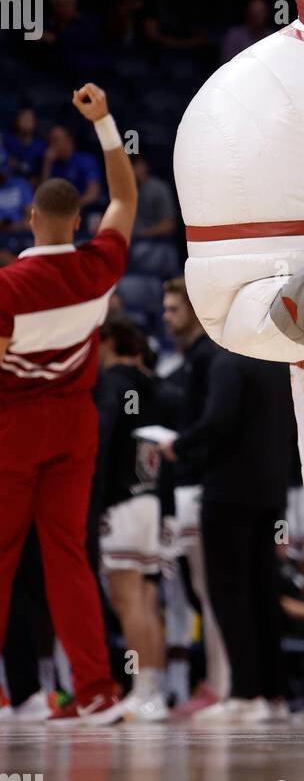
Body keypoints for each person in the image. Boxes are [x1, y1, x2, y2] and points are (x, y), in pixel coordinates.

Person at [0, 83, 137, 722]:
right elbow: (126, 196)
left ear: (31, 219)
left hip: (16, 425)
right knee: (69, 558)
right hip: (77, 424)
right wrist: (105, 123)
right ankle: (97, 691)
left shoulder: (9, 287)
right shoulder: (99, 267)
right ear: (76, 222)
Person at [160, 352, 294, 723]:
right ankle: (274, 694)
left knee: (229, 592)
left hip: (229, 490)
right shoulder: (277, 363)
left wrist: (180, 446)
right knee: (263, 591)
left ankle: (245, 693)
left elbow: (218, 421)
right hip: (271, 490)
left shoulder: (227, 362)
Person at [95, 320, 177, 722]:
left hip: (122, 502)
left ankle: (142, 690)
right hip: (152, 498)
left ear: (107, 343)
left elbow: (104, 441)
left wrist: (95, 500)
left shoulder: (112, 383)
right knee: (146, 600)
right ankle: (154, 691)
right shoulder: (157, 384)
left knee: (127, 601)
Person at [160, 278, 230, 713]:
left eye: (173, 309)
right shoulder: (189, 361)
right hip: (192, 487)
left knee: (214, 591)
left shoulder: (209, 360)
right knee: (204, 591)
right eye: (164, 310)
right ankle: (218, 681)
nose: (166, 318)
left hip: (205, 487)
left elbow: (213, 426)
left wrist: (180, 447)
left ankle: (222, 684)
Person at [42, 124, 103, 210]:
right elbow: (44, 195)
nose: (51, 145)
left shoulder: (86, 161)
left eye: (55, 140)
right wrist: (47, 164)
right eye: (50, 141)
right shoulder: (54, 165)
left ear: (68, 141)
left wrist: (69, 208)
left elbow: (93, 194)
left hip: (87, 210)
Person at [131, 156, 177, 240]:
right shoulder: (124, 190)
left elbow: (169, 224)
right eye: (131, 166)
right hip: (132, 242)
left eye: (137, 166)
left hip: (157, 242)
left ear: (145, 166)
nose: (134, 170)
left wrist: (144, 233)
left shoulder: (159, 189)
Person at [220, 0, 272, 65]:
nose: (258, 15)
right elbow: (227, 64)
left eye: (261, 12)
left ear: (266, 14)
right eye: (255, 12)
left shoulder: (272, 37)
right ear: (248, 13)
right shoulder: (234, 36)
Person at [4, 108, 46, 182]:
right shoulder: (7, 141)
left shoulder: (41, 145)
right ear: (17, 121)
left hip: (32, 184)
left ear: (35, 122)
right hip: (9, 183)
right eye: (24, 118)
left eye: (29, 119)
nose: (27, 121)